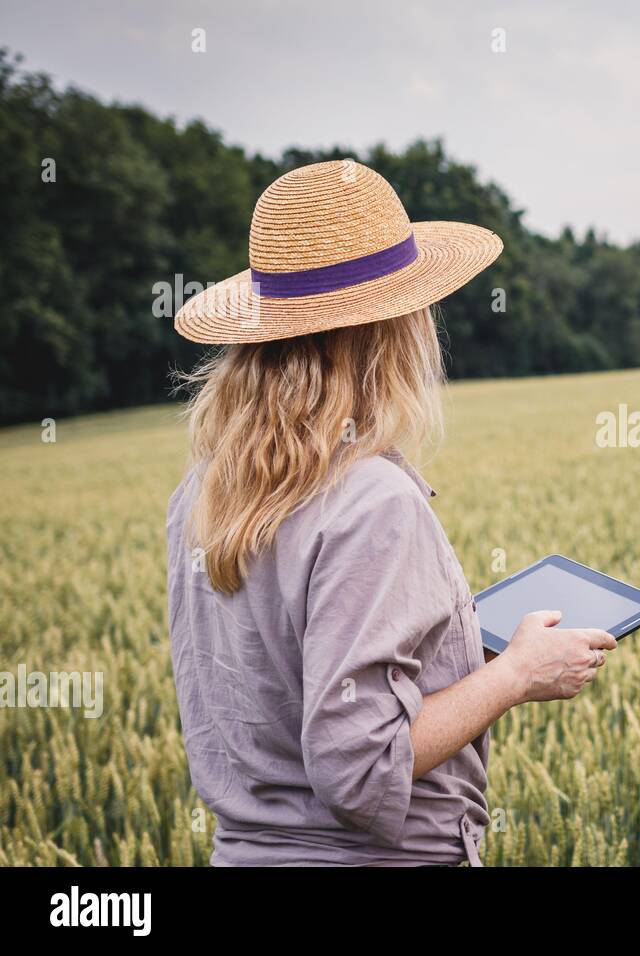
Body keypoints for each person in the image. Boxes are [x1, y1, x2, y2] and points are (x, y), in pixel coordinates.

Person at [165, 160, 616, 865]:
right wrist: (514, 675)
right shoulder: (373, 501)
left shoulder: (200, 495)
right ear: (394, 328)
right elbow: (359, 768)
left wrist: (462, 650)